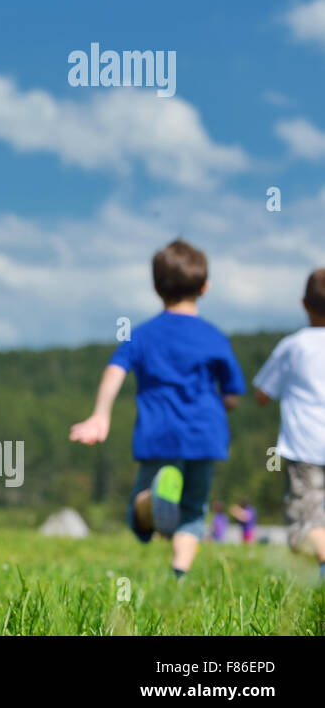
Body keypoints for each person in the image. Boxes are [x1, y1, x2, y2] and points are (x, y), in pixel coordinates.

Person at [70, 239, 244, 579]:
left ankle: (151, 501)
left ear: (155, 287)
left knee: (140, 522)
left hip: (160, 432)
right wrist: (221, 405)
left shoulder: (143, 335)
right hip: (205, 434)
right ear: (205, 287)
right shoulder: (215, 337)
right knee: (193, 511)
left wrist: (100, 414)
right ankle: (178, 573)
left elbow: (114, 370)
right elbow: (233, 395)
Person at [253, 268, 325, 575]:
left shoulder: (292, 346)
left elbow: (263, 394)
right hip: (306, 449)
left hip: (305, 448)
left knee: (304, 524)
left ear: (303, 303)